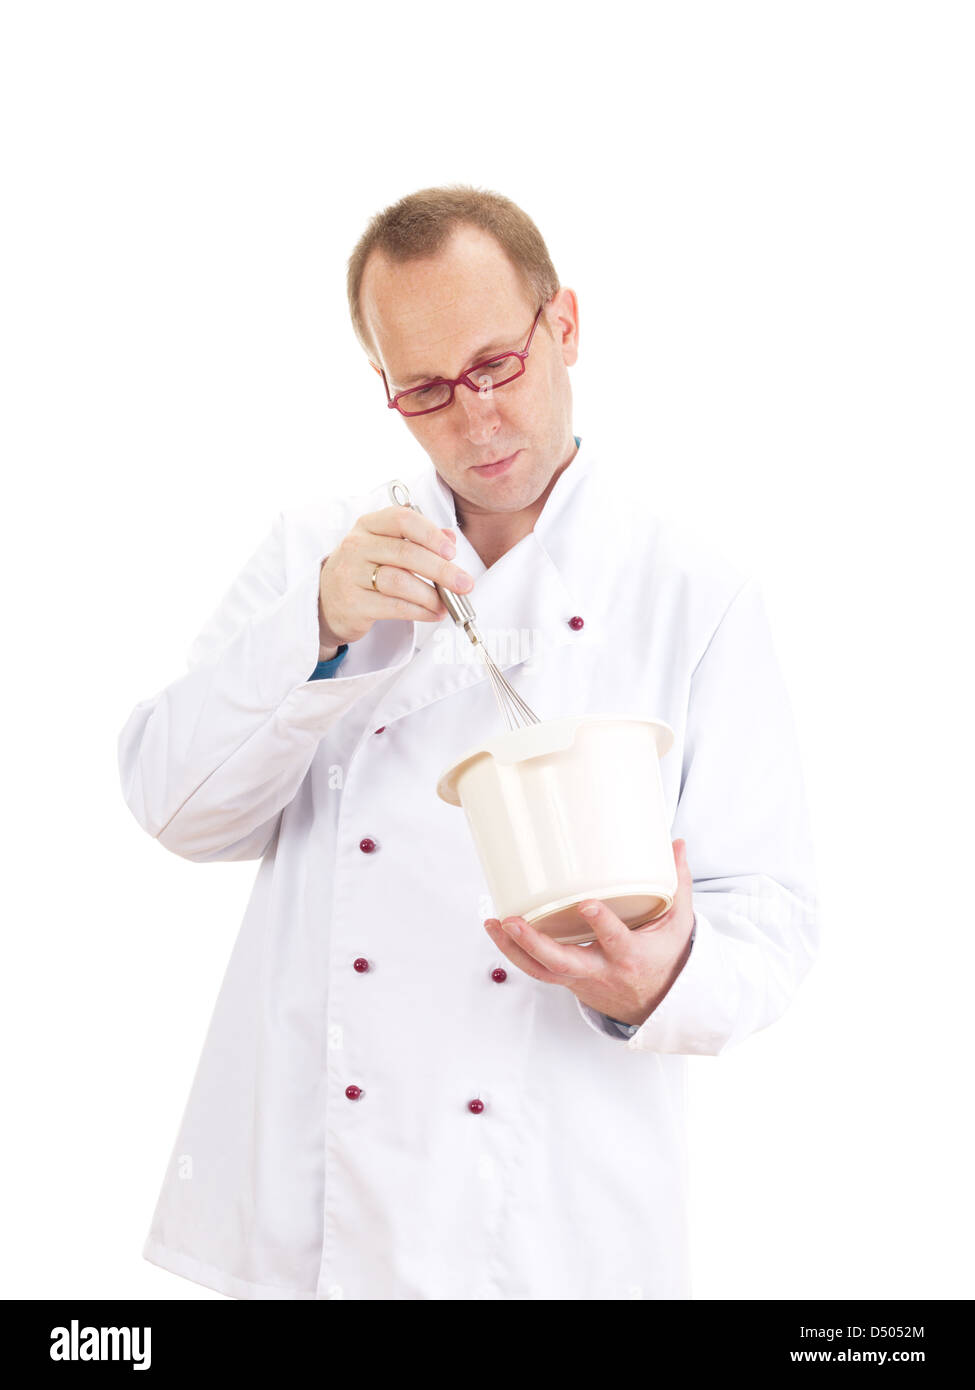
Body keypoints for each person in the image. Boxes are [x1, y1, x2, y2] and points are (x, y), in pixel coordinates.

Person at [117, 184, 818, 1300]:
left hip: (553, 1222)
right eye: (428, 389)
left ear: (565, 325)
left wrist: (658, 976)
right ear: (386, 389)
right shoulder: (321, 550)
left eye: (498, 365)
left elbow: (771, 917)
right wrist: (317, 626)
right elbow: (173, 806)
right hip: (314, 1220)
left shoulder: (691, 589)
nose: (476, 418)